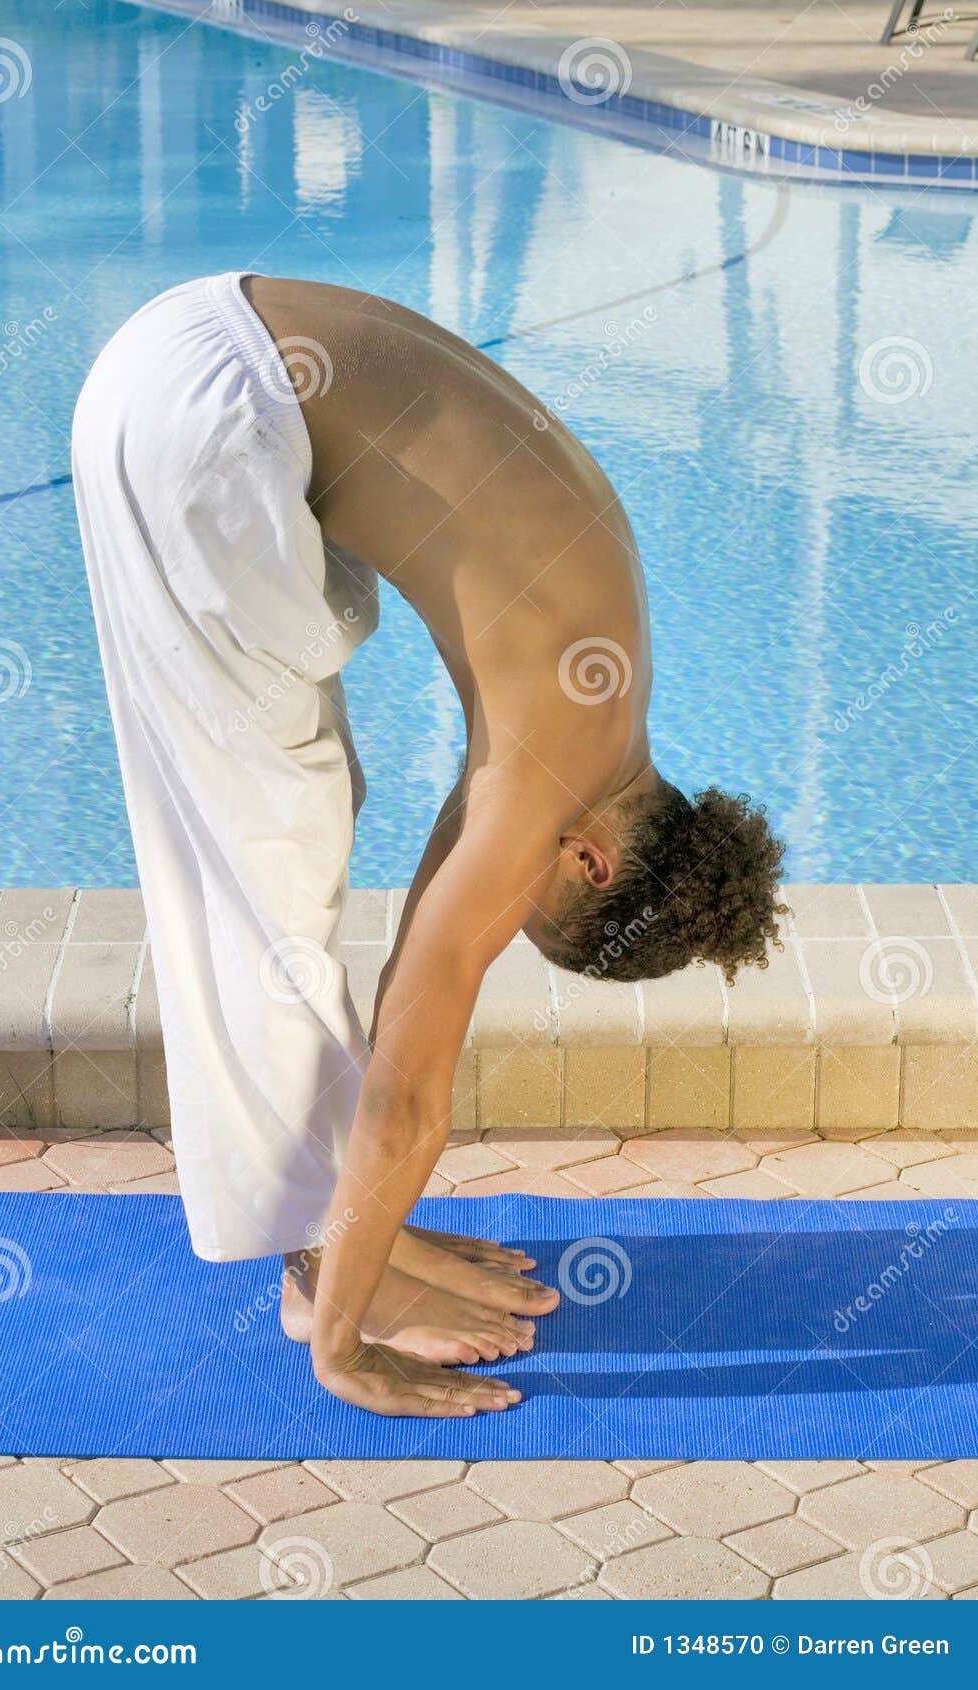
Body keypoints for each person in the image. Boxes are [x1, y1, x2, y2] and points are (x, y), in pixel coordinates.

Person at [73, 273, 785, 1420]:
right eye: (527, 914)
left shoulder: (600, 704)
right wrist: (347, 1348)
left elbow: (414, 988)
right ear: (592, 864)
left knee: (309, 818)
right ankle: (325, 1290)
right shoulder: (549, 776)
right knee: (265, 869)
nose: (497, 902)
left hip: (201, 361)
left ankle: (340, 1231)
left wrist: (383, 1211)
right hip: (202, 418)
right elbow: (411, 1090)